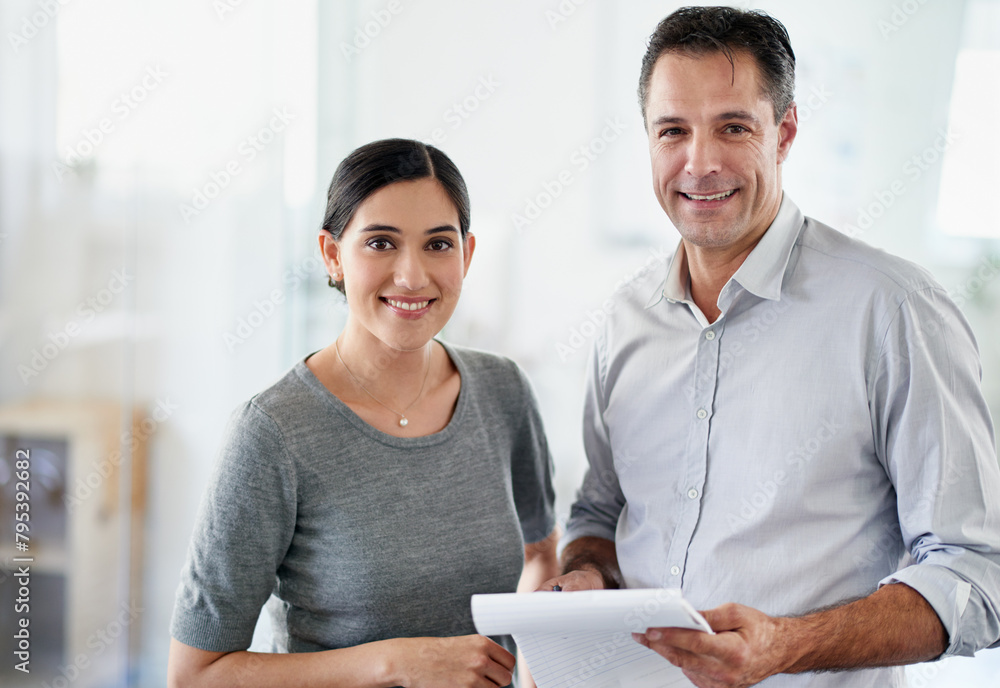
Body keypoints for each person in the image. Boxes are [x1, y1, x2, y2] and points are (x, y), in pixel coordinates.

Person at [542, 6, 1000, 688]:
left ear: (783, 133)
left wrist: (791, 644)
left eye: (733, 127)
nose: (700, 163)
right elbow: (599, 513)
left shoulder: (895, 311)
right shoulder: (624, 320)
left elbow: (974, 573)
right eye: (673, 131)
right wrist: (583, 572)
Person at [168, 138, 558, 688]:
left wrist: (539, 662)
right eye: (380, 243)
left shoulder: (504, 390)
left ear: (467, 255)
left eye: (438, 245)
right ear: (332, 255)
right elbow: (196, 676)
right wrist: (395, 663)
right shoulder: (273, 433)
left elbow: (542, 553)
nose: (412, 276)